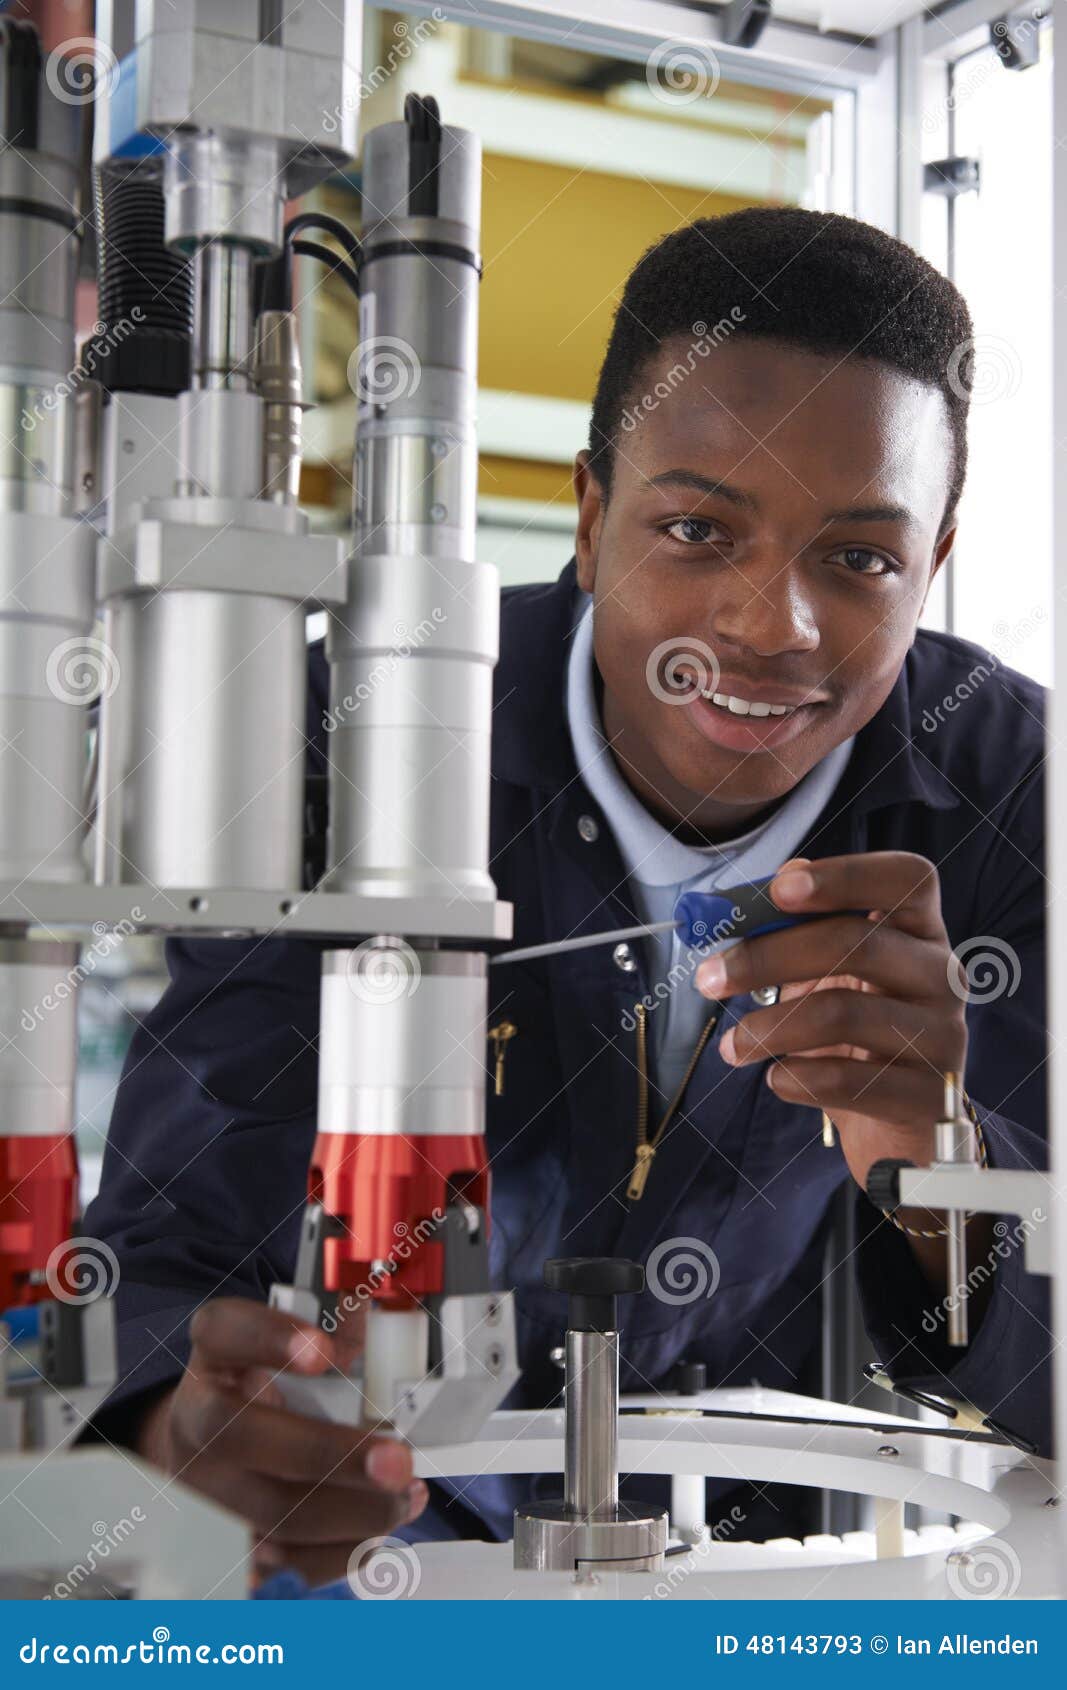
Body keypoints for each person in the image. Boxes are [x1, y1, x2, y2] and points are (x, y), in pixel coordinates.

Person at [81, 207, 1050, 1589]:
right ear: (592, 519)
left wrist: (945, 1171)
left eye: (859, 558)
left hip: (757, 1567)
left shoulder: (1017, 791)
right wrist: (178, 1422)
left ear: (934, 564)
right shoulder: (355, 725)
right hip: (381, 1537)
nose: (776, 625)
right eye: (699, 527)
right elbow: (172, 1240)